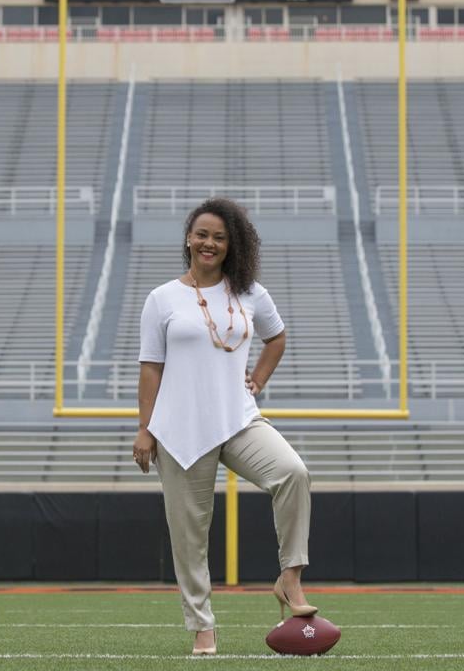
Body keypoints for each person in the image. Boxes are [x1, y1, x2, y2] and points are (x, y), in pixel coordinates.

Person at [132, 197, 318, 657]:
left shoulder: (250, 292)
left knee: (292, 473)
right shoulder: (162, 299)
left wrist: (259, 377)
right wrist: (144, 429)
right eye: (201, 235)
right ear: (188, 239)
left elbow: (277, 337)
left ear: (232, 243)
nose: (208, 243)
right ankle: (203, 629)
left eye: (218, 236)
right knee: (190, 536)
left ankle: (289, 577)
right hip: (178, 429)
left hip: (237, 419)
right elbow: (150, 369)